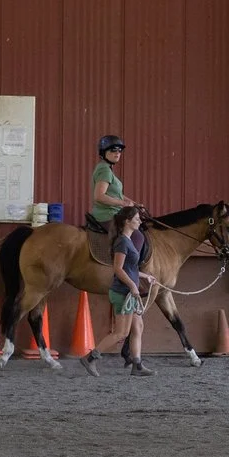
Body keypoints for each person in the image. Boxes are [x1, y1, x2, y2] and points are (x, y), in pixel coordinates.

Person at [105, 205, 155, 376]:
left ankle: (137, 364)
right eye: (136, 218)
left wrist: (144, 276)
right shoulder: (122, 242)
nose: (139, 220)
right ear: (127, 221)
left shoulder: (129, 241)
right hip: (124, 291)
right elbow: (118, 268)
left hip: (129, 292)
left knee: (138, 326)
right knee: (121, 332)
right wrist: (133, 286)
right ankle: (91, 357)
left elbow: (130, 268)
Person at [85, 134, 140, 233]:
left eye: (119, 150)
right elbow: (99, 196)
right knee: (137, 236)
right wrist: (123, 204)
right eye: (113, 150)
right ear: (104, 152)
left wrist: (135, 204)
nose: (117, 153)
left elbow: (117, 195)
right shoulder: (105, 170)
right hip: (107, 215)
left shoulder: (106, 169)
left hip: (112, 213)